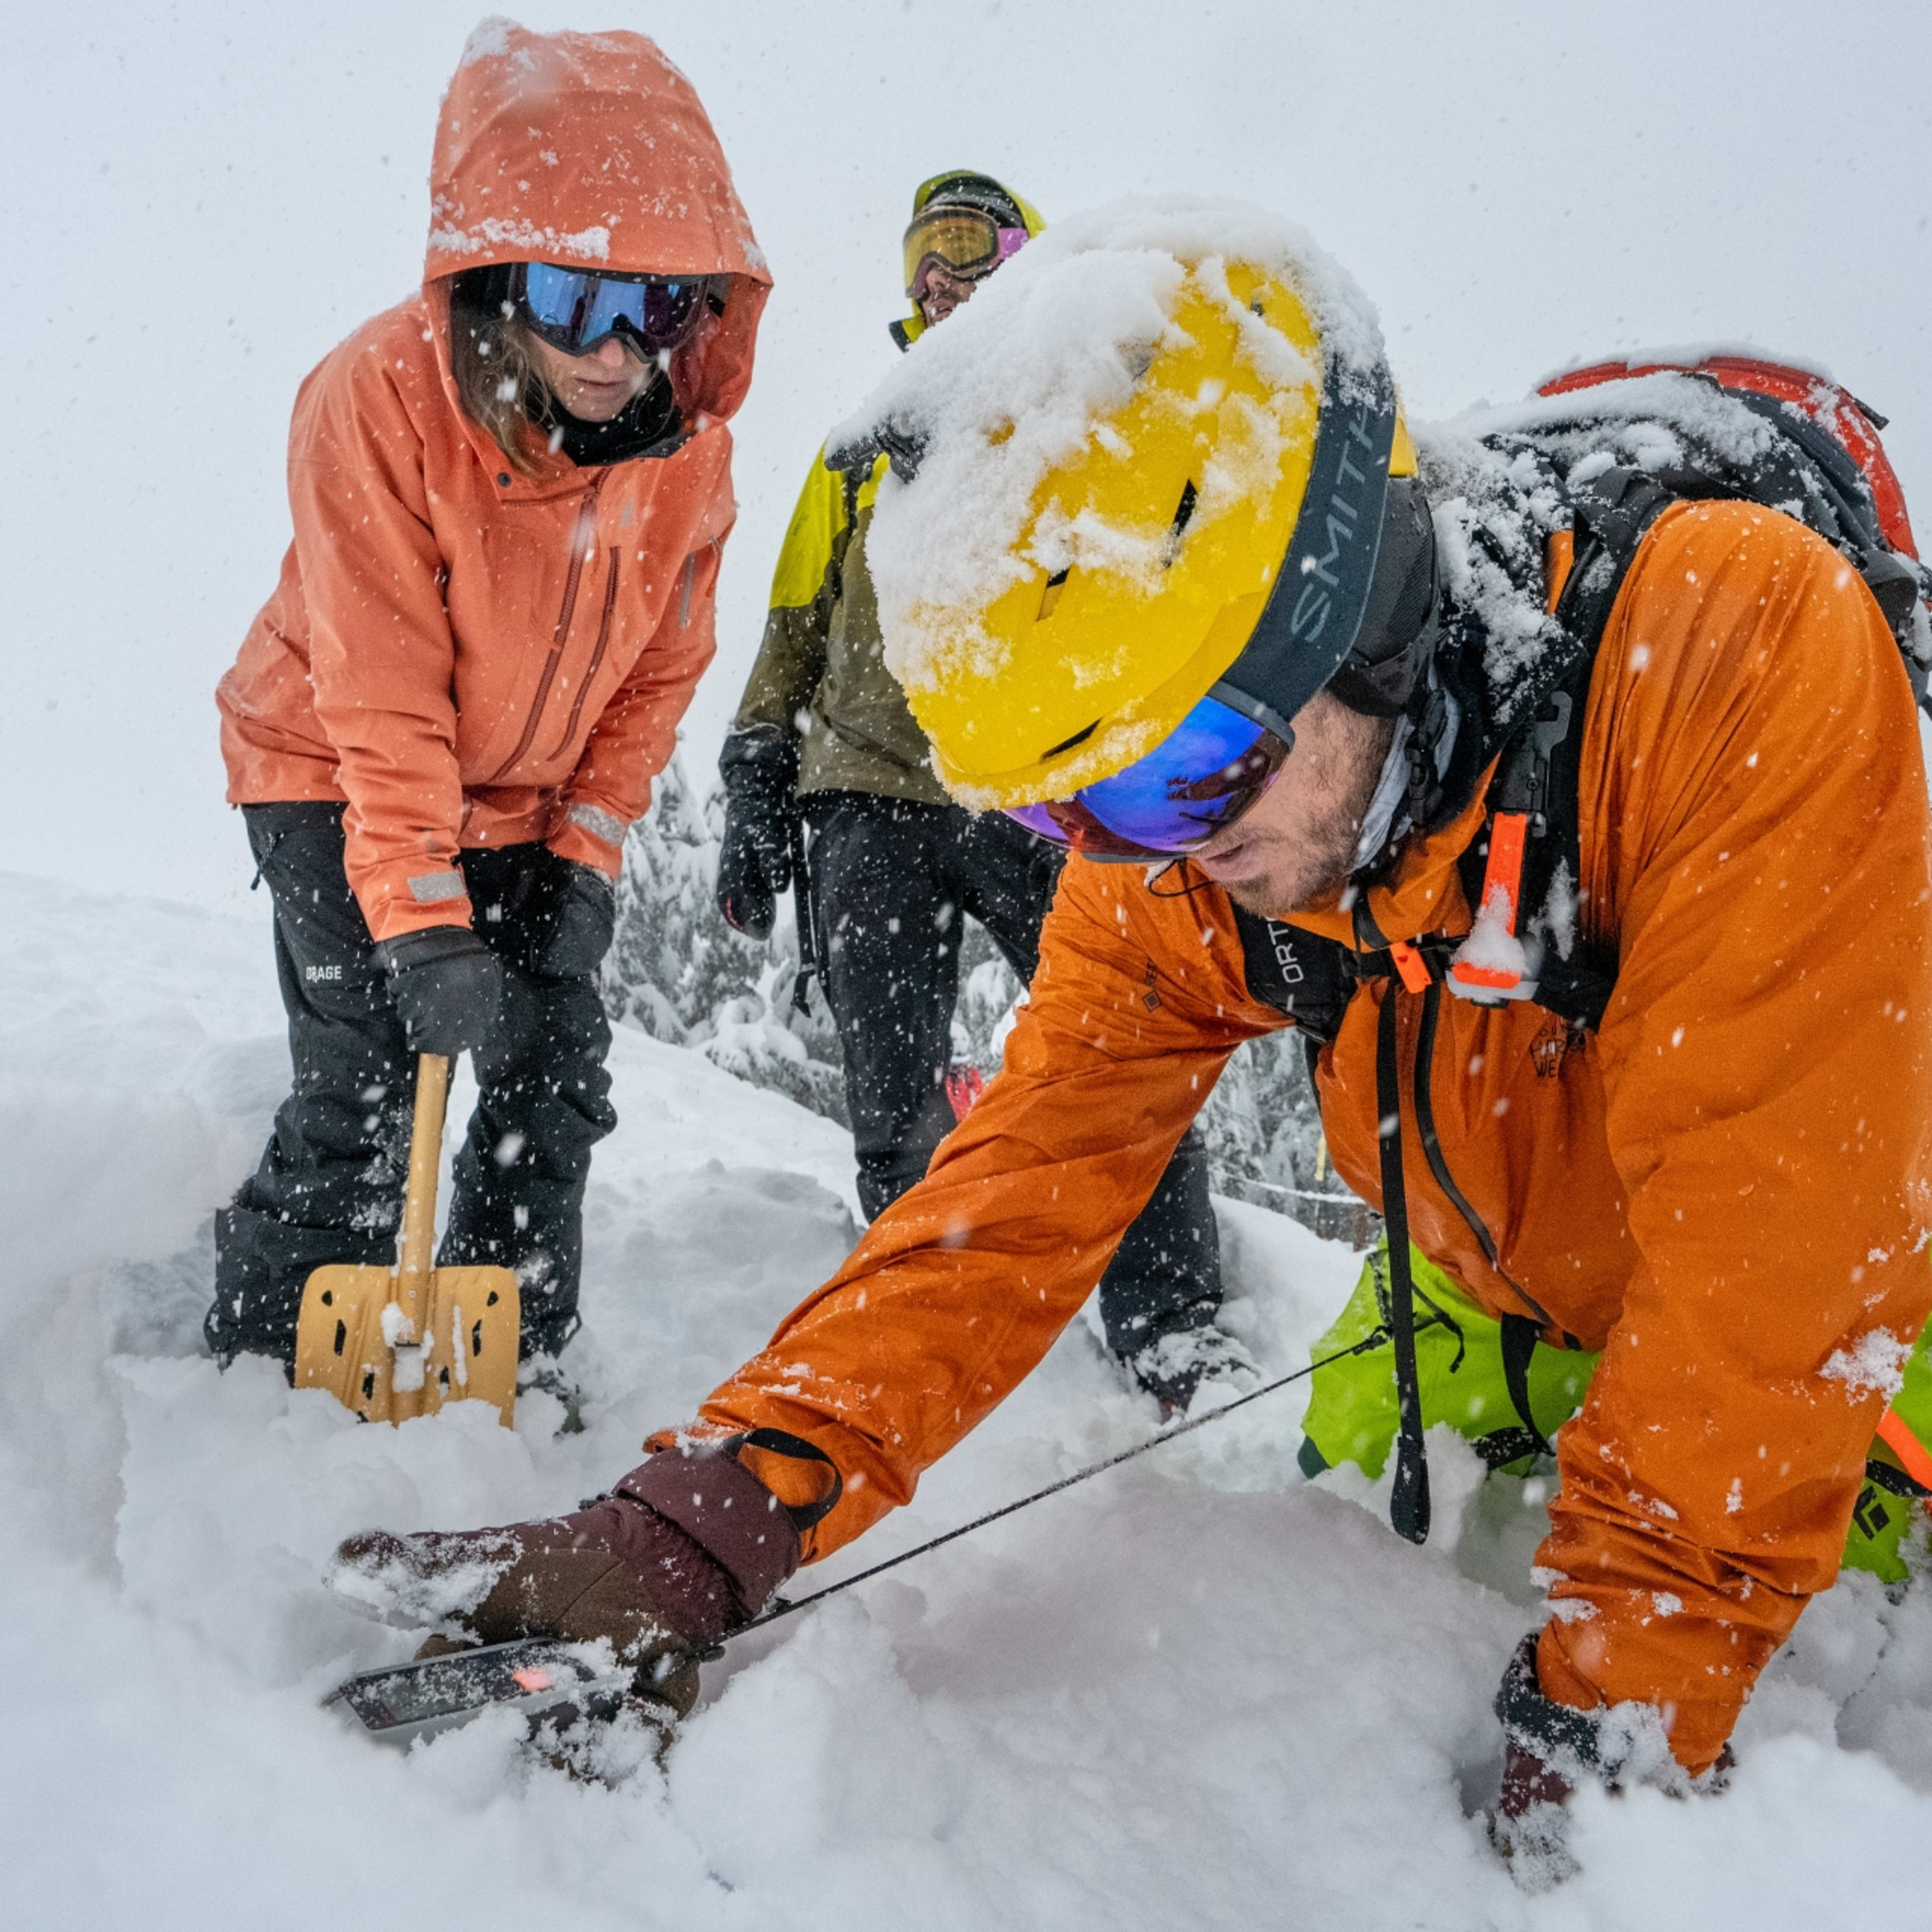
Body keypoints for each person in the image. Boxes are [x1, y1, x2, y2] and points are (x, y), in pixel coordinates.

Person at [332, 211, 1932, 1874]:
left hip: (1864, 1308)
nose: (1136, 856)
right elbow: (1014, 1195)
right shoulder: (1199, 830)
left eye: (1164, 782)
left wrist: (1616, 1712)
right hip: (1495, 1267)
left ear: (1352, 618)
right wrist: (723, 1506)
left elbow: (1780, 1270)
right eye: (1063, 809)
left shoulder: (1731, 659)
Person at [208, 24, 768, 1376]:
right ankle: (265, 1367)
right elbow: (380, 683)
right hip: (332, 767)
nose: (614, 351)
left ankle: (507, 1354)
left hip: (525, 799)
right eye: (577, 303)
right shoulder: (380, 400)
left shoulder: (688, 463)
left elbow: (659, 676)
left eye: (658, 309)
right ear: (497, 281)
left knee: (555, 1069)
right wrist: (416, 918)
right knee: (368, 1083)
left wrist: (585, 847)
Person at [714, 173, 1240, 1408]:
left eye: (962, 247)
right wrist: (754, 776)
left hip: (1035, 797)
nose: (933, 276)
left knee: (1123, 1052)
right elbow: (793, 625)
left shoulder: (1078, 419)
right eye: (918, 258)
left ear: (1025, 264)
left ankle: (1171, 1322)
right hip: (863, 795)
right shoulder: (863, 444)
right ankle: (917, 1329)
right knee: (892, 1096)